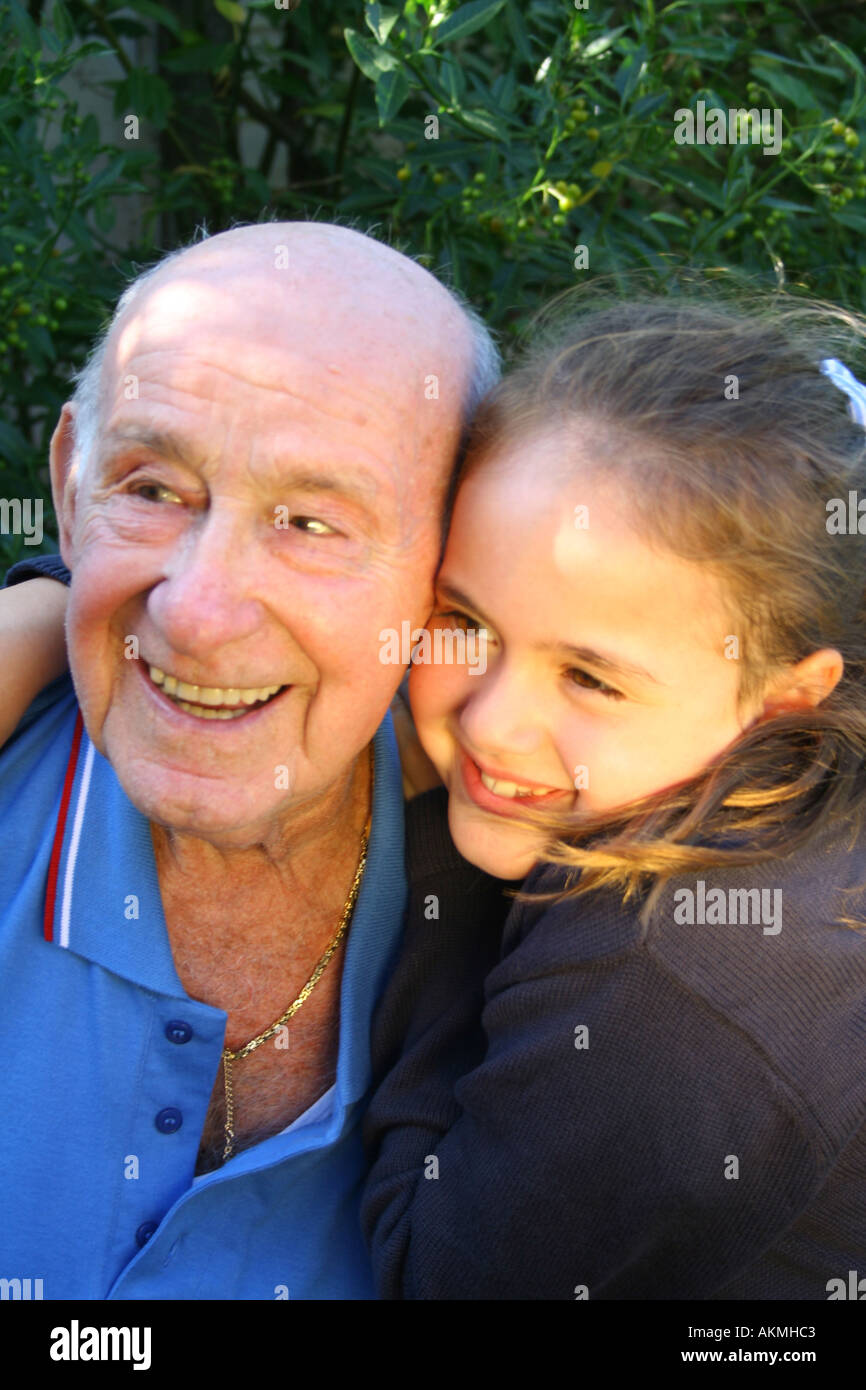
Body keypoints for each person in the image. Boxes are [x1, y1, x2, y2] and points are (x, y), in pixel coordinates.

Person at [0, 219, 501, 1300]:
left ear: (455, 567)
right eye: (152, 487)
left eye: (310, 523)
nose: (198, 611)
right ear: (71, 489)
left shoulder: (544, 912)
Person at [358, 297, 866, 1299]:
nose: (492, 722)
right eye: (460, 619)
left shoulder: (671, 977)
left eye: (590, 678)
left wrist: (435, 855)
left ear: (780, 700)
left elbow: (431, 1277)